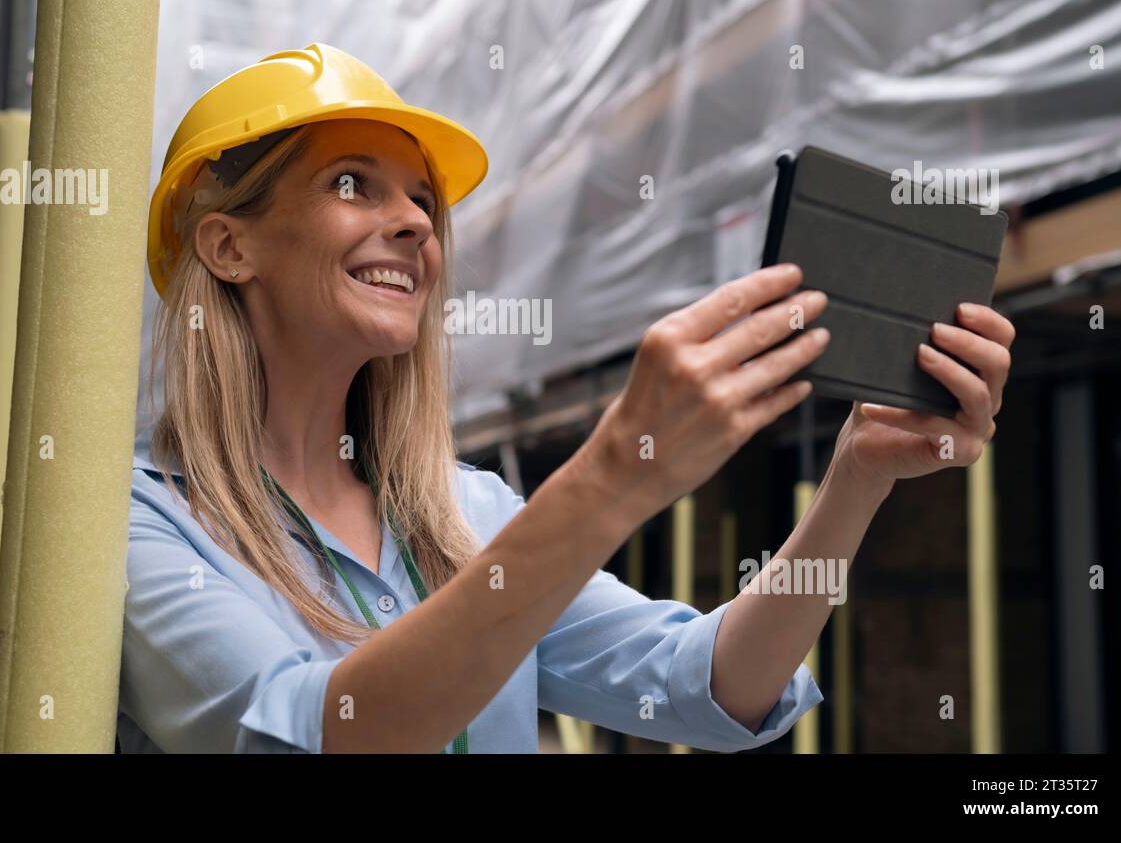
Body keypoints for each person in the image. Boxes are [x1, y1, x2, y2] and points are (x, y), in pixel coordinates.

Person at [118, 42, 1015, 753]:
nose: (417, 222)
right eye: (352, 183)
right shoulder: (140, 524)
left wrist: (855, 477)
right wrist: (613, 475)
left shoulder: (466, 513)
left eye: (424, 199)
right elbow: (316, 734)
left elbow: (708, 684)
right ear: (230, 248)